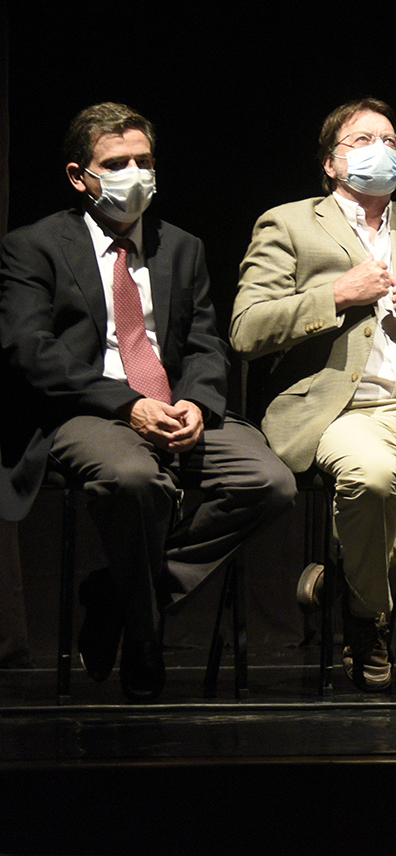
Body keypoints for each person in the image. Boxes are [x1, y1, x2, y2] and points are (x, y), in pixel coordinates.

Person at [0, 103, 294, 699]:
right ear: (80, 176)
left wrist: (198, 404)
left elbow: (209, 343)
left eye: (144, 161)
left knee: (270, 482)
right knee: (135, 479)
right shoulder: (33, 246)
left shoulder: (181, 246)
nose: (134, 173)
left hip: (174, 405)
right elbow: (29, 350)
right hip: (85, 411)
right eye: (116, 163)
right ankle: (145, 637)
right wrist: (125, 403)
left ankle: (124, 595)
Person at [231, 98, 396, 692]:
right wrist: (336, 297)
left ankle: (359, 583)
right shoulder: (290, 223)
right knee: (374, 477)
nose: (381, 149)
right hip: (342, 411)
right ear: (330, 163)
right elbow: (246, 329)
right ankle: (370, 621)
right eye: (362, 139)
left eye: (390, 139)